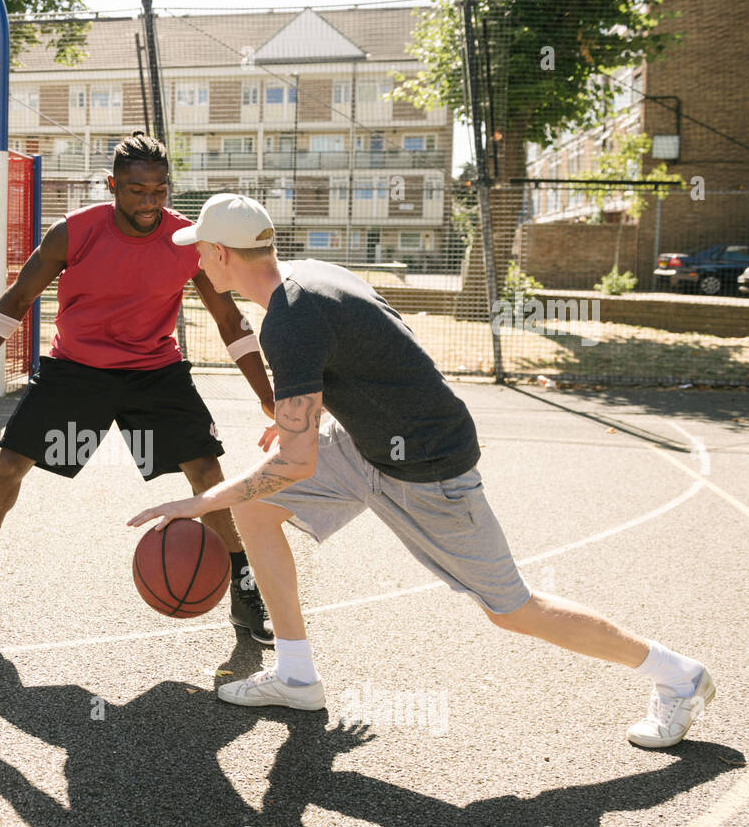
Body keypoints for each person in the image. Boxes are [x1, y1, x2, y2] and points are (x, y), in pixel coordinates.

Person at [129, 193, 715, 749]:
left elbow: (295, 461)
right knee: (254, 510)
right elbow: (382, 353)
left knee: (513, 610)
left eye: (201, 248)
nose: (197, 258)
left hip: (430, 470)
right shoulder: (308, 276)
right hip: (367, 443)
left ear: (223, 255)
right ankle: (298, 677)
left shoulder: (289, 318)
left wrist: (197, 503)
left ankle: (677, 675)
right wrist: (311, 412)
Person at [0, 134, 276, 642]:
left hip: (154, 370)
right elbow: (19, 296)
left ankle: (244, 585)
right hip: (77, 368)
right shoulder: (74, 232)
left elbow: (228, 318)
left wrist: (265, 395)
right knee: (8, 467)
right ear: (112, 185)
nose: (149, 202)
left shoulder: (186, 240)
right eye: (137, 190)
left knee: (206, 469)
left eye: (159, 190)